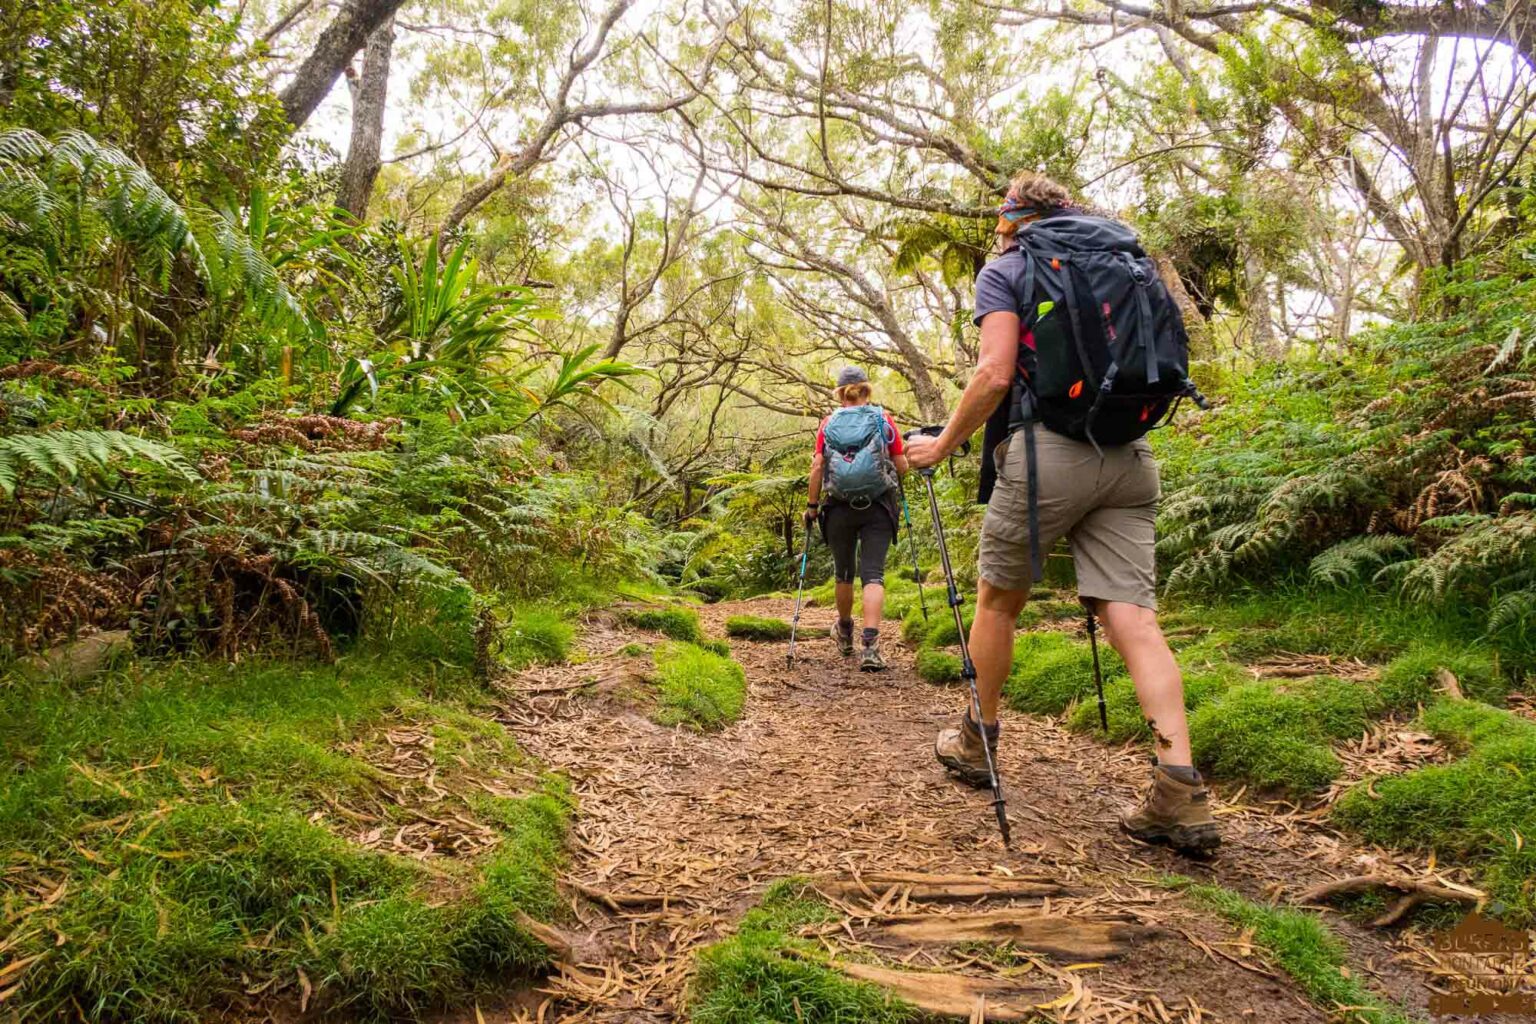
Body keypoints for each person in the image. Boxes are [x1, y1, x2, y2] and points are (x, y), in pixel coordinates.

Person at [905, 172, 1220, 854]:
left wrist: (943, 446)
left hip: (1048, 455)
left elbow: (992, 373)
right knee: (1134, 617)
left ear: (1013, 219)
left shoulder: (1010, 267)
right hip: (1129, 453)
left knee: (998, 602)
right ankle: (1178, 788)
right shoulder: (1123, 259)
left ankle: (974, 740)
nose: (996, 231)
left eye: (998, 221)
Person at [806, 367, 910, 671]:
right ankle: (871, 646)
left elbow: (817, 468)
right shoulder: (883, 419)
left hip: (838, 508)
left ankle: (846, 632)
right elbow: (902, 466)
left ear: (840, 393)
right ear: (867, 390)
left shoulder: (828, 424)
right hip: (878, 506)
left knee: (844, 572)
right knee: (874, 573)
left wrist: (812, 507)